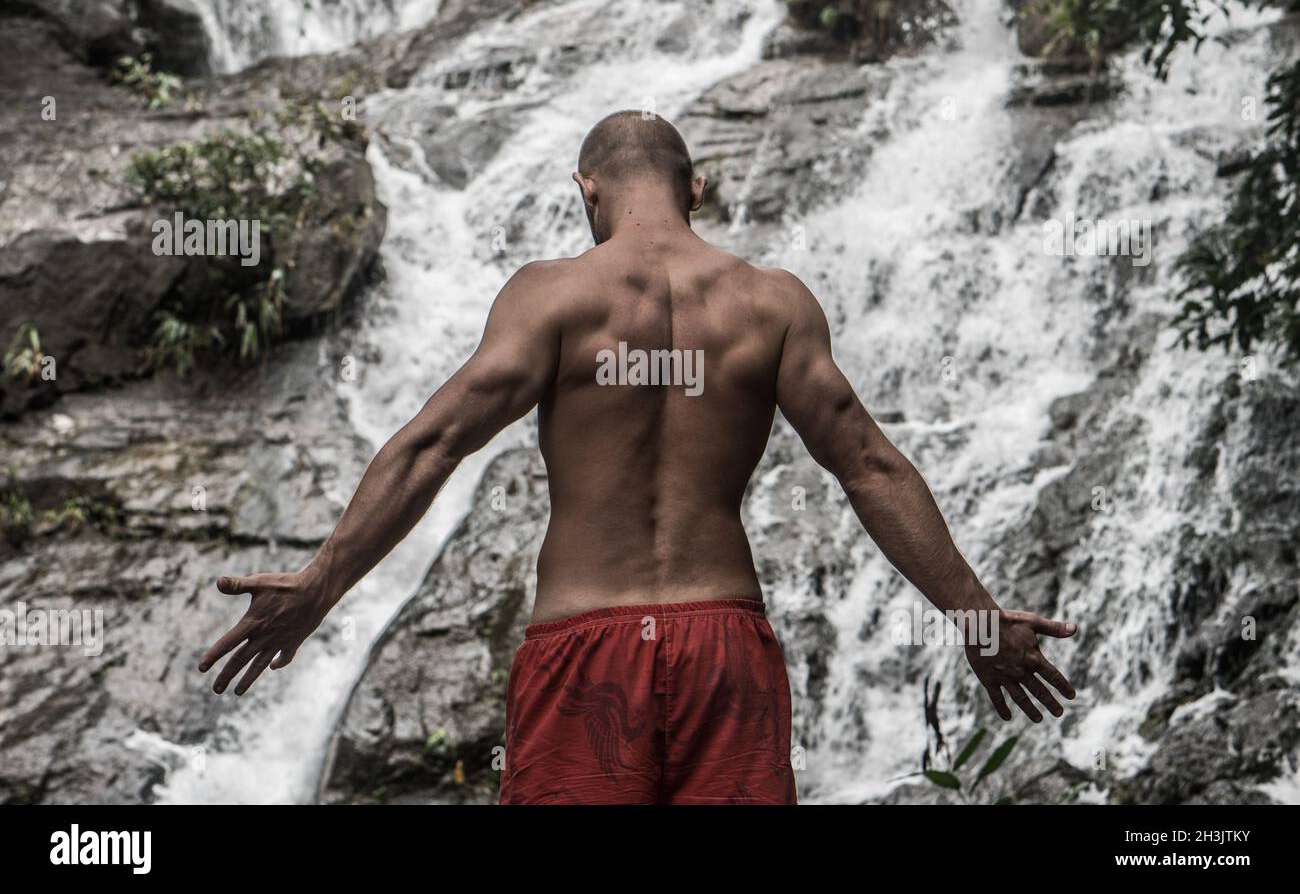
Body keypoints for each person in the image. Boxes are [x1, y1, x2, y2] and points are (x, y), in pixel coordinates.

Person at [198, 110, 1077, 804]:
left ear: (586, 189)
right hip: (724, 644)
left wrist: (320, 585)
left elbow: (433, 443)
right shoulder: (772, 304)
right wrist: (976, 617)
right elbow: (869, 466)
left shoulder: (550, 297)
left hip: (584, 646)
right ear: (697, 186)